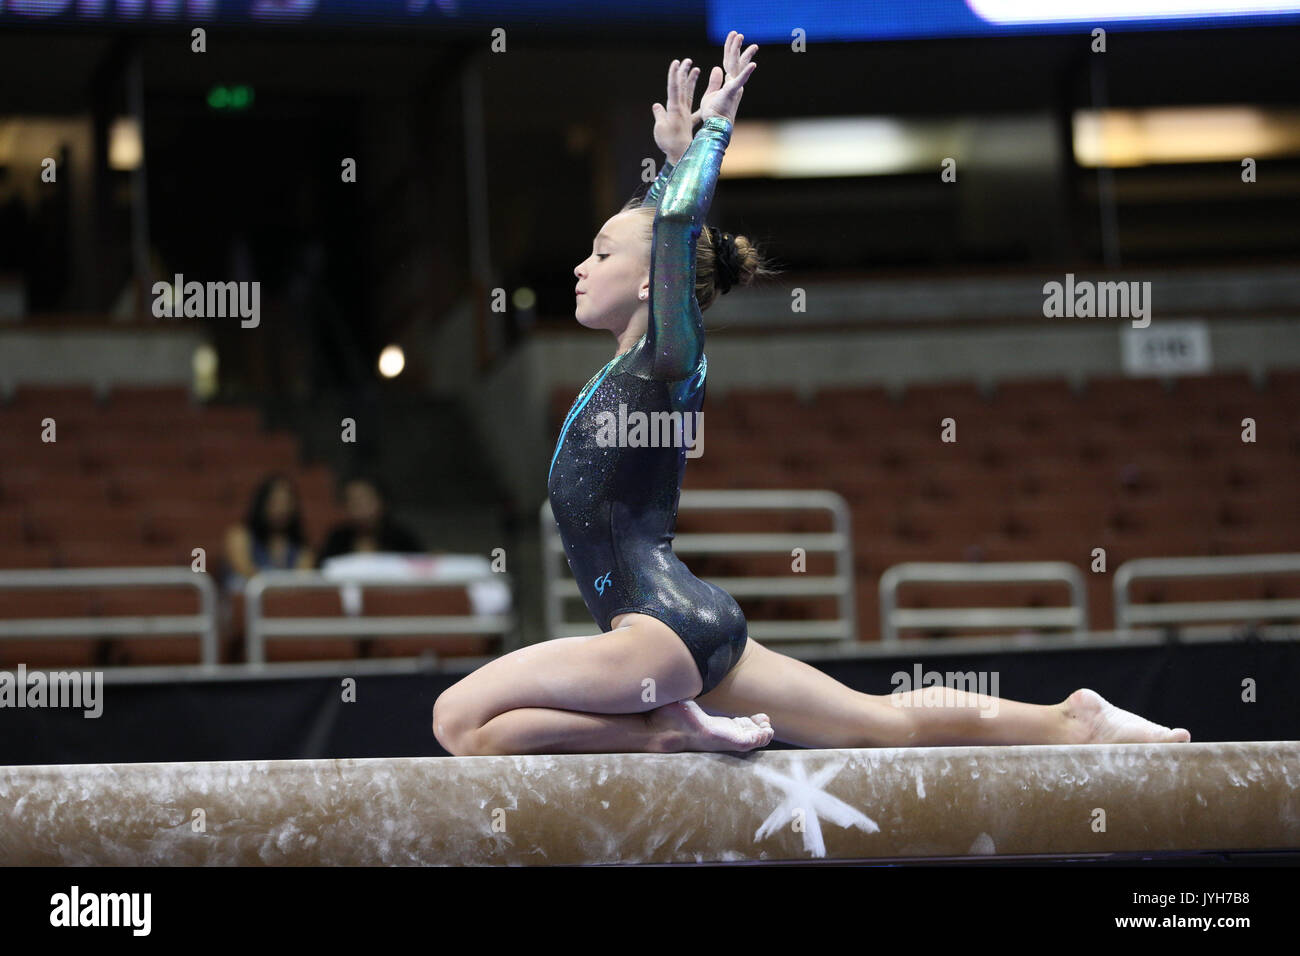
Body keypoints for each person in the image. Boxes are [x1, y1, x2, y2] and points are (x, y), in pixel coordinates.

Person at [432, 33, 1191, 756]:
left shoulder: (668, 357)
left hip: (656, 634)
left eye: (599, 253)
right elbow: (665, 226)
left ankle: (670, 734)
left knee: (458, 720)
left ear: (648, 282)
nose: (577, 266)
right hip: (687, 628)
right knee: (877, 726)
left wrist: (709, 137)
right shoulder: (633, 367)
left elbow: (671, 227)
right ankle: (1071, 721)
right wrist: (669, 162)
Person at [223, 473, 315, 590]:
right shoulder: (240, 535)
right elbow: (244, 570)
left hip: (285, 604)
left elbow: (303, 580)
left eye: (286, 503)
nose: (281, 509)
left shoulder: (302, 548)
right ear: (263, 504)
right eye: (275, 502)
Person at [316, 476, 422, 565]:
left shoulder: (402, 539)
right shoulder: (338, 538)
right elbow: (319, 571)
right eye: (353, 501)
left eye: (365, 500)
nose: (359, 507)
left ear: (382, 502)